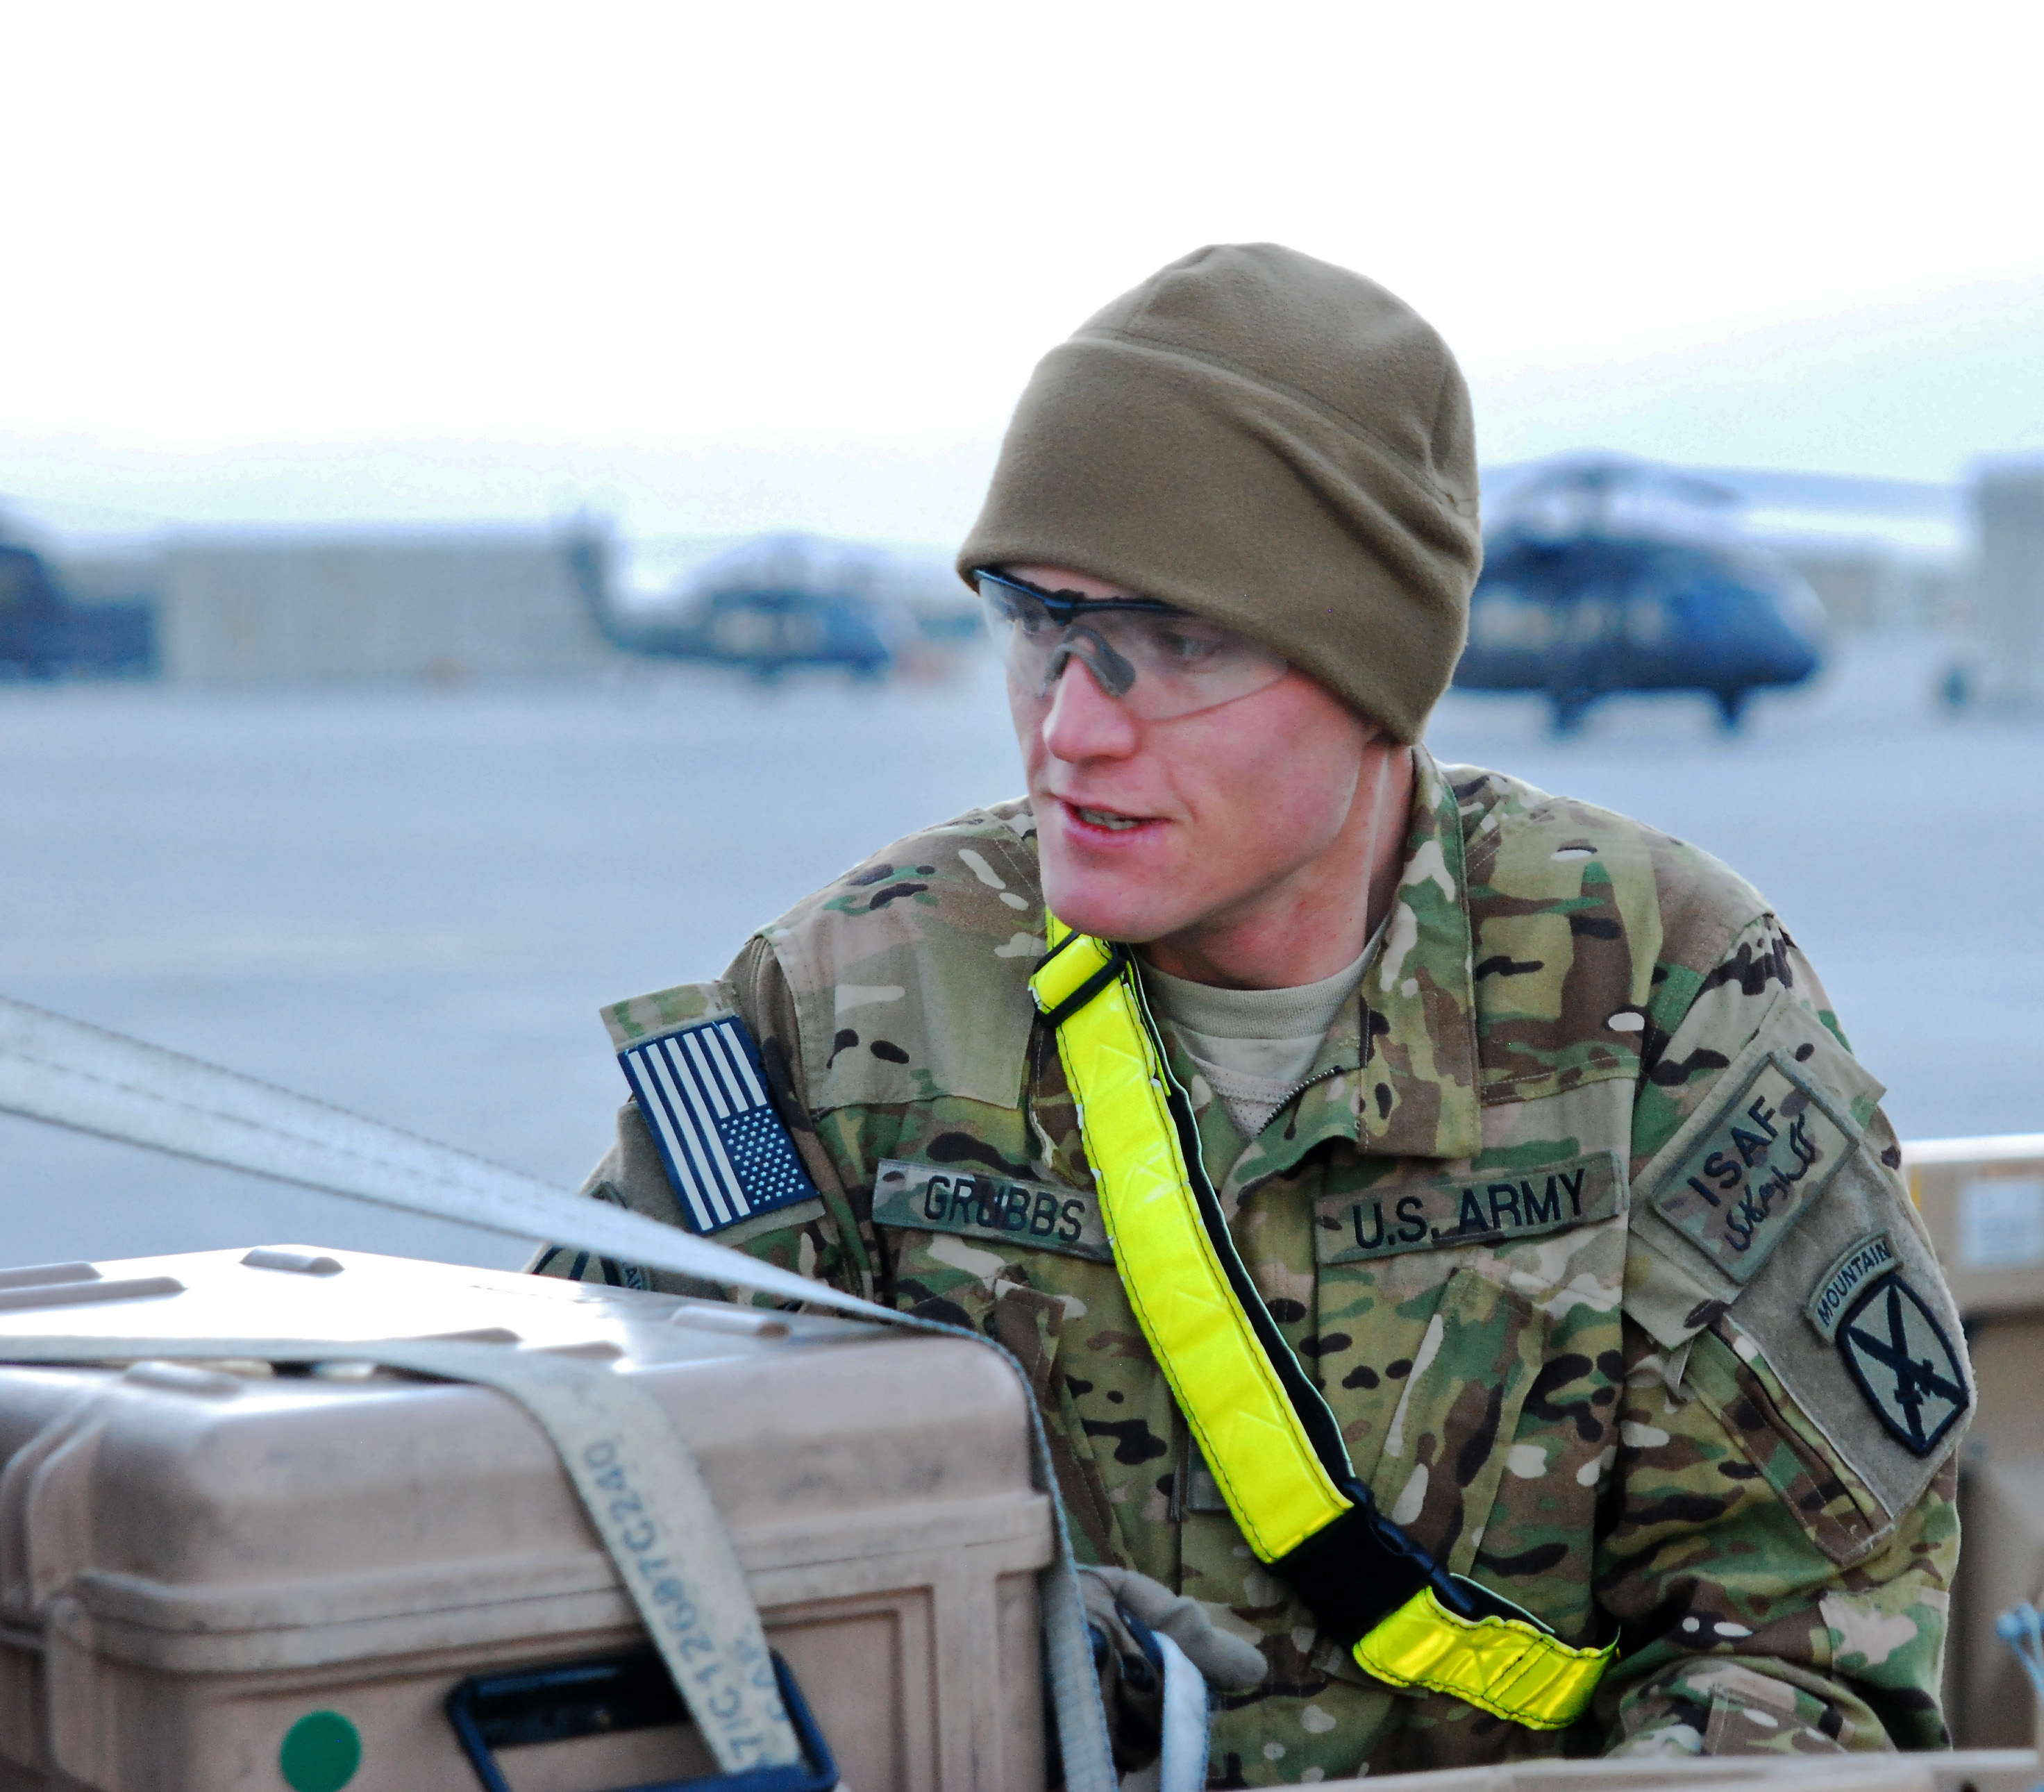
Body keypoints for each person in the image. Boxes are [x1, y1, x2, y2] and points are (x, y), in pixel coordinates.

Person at [539, 244, 1966, 1783]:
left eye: (1179, 643)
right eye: (1037, 624)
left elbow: (1802, 1671)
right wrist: (972, 1631)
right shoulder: (850, 998)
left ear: (1374, 674)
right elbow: (600, 1525)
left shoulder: (1658, 986)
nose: (1072, 729)